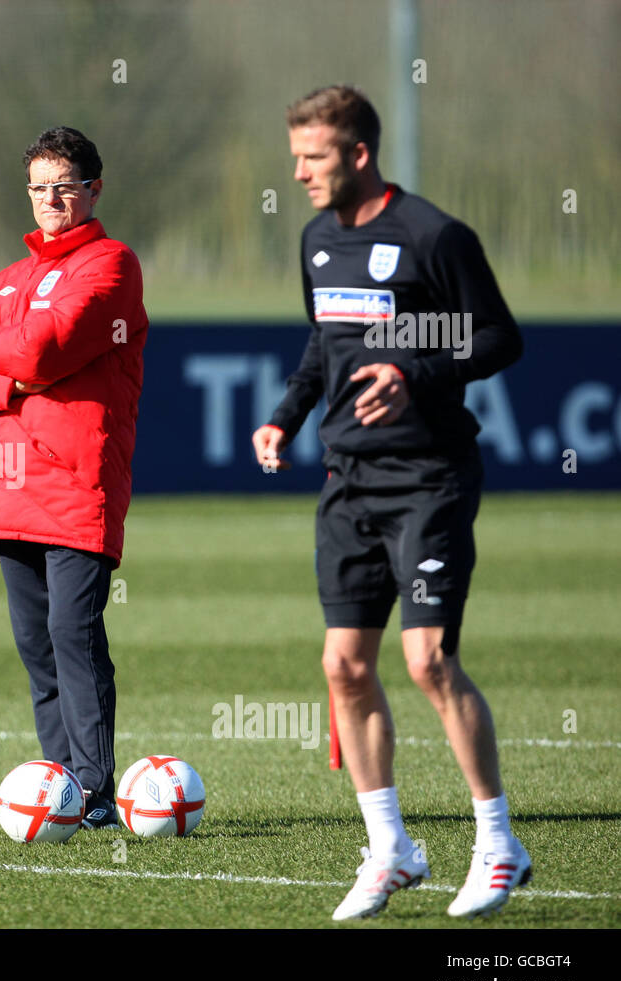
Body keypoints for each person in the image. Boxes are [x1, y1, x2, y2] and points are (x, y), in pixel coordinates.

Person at [253, 85, 528, 919]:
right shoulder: (316, 239)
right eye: (295, 155)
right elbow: (322, 342)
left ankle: (498, 841)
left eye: (314, 157)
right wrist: (285, 415)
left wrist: (413, 369)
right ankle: (391, 849)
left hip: (429, 476)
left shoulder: (433, 236)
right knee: (343, 666)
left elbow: (497, 336)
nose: (298, 171)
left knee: (428, 660)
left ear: (359, 155)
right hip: (348, 478)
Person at [0, 126, 148, 827]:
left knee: (73, 632)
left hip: (76, 478)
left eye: (64, 184)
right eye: (38, 186)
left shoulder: (111, 264)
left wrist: (3, 354)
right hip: (7, 484)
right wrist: (12, 380)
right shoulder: (5, 278)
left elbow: (42, 347)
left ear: (93, 188)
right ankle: (63, 785)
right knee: (35, 644)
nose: (50, 198)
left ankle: (93, 788)